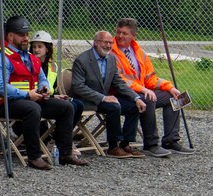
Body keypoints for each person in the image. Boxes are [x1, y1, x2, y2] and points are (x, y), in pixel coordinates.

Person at [0, 15, 79, 169]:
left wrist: (45, 88)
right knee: (33, 108)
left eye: (26, 34)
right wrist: (26, 94)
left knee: (67, 107)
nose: (26, 38)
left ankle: (65, 153)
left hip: (29, 100)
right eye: (21, 35)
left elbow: (42, 78)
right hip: (6, 103)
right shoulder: (1, 57)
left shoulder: (31, 58)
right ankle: (34, 156)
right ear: (10, 36)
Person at [112, 17, 193, 156]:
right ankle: (151, 144)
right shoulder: (111, 52)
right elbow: (120, 81)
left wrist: (170, 87)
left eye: (125, 33)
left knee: (174, 97)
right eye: (118, 32)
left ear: (133, 35)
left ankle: (171, 140)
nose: (120, 36)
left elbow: (150, 78)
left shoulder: (139, 52)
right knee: (148, 98)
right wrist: (143, 89)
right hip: (122, 94)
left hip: (140, 91)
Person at [70, 31, 147, 159]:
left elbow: (119, 83)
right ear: (96, 43)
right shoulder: (82, 60)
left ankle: (125, 144)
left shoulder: (111, 59)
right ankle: (113, 147)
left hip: (104, 99)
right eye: (105, 42)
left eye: (111, 42)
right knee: (114, 107)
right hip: (87, 100)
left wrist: (136, 97)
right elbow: (78, 87)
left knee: (133, 106)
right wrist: (103, 98)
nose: (108, 45)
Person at [30, 30, 84, 130]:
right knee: (69, 107)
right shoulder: (29, 64)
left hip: (48, 98)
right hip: (36, 99)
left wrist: (56, 96)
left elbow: (52, 87)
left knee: (78, 105)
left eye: (39, 46)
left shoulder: (53, 66)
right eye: (34, 47)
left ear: (47, 49)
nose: (36, 50)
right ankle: (58, 136)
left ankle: (59, 134)